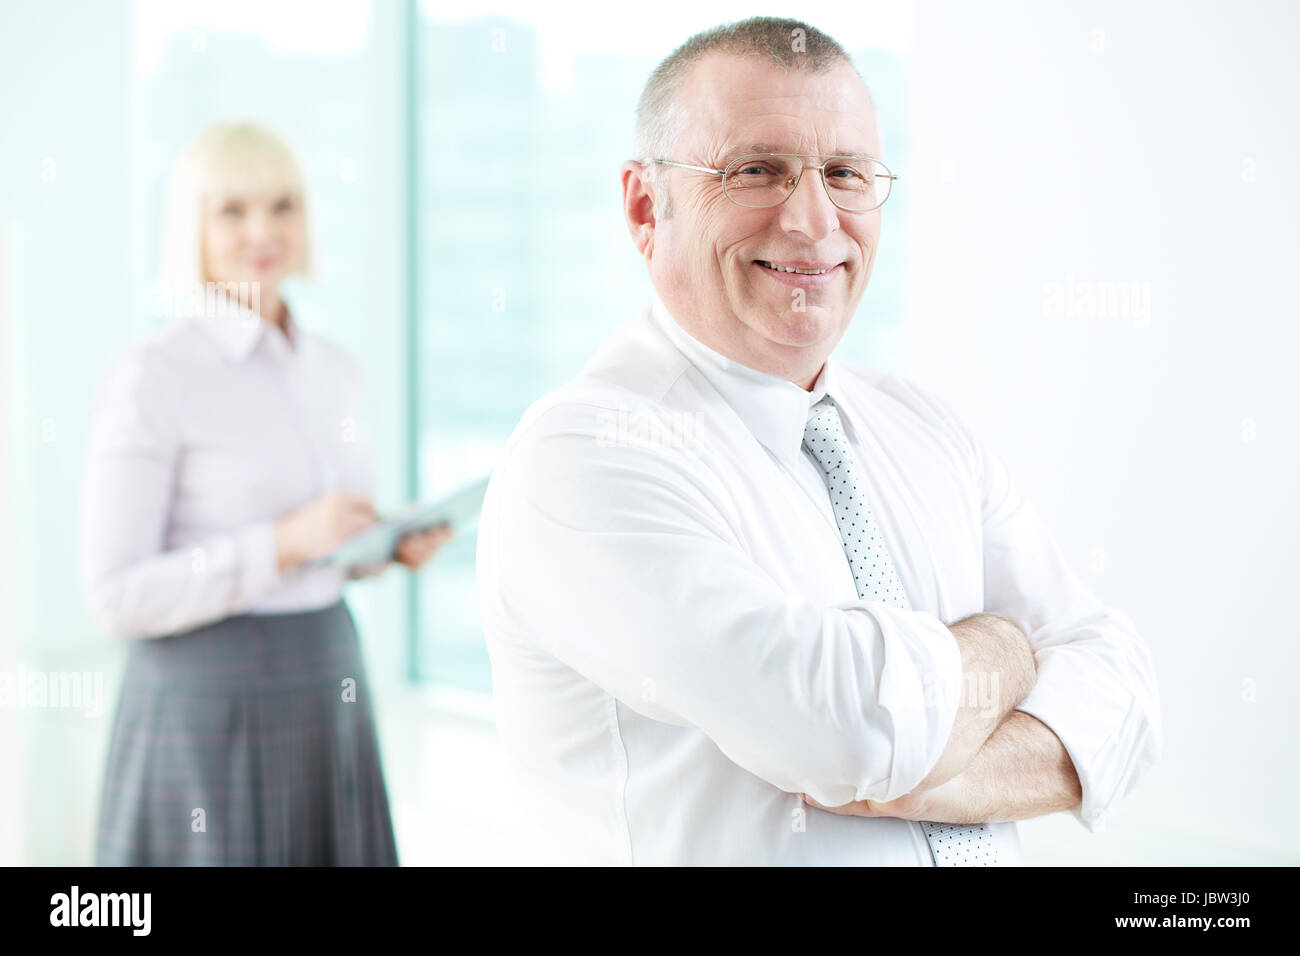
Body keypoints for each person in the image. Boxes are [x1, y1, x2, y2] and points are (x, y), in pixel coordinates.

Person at [476, 17, 1162, 865]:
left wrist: (932, 775)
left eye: (845, 173)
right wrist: (1007, 646)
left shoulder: (917, 422)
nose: (812, 220)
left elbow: (1122, 692)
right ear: (646, 206)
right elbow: (843, 733)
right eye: (757, 170)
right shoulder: (584, 455)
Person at [79, 121, 451, 865]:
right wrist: (281, 543)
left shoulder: (333, 367)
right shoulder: (155, 376)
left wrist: (379, 547)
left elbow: (327, 545)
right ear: (192, 226)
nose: (263, 231)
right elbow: (115, 595)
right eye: (232, 210)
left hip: (327, 674)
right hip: (204, 697)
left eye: (283, 205)